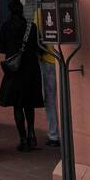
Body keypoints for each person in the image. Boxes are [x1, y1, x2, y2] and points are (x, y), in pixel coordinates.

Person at [0, 0, 44, 151]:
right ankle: (32, 135)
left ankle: (23, 138)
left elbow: (0, 48)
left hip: (14, 71)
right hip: (30, 70)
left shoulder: (5, 26)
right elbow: (39, 47)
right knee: (29, 104)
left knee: (17, 105)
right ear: (22, 10)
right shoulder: (32, 27)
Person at [34, 10, 60, 148]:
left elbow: (37, 37)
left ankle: (54, 134)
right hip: (62, 59)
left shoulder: (39, 11)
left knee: (50, 99)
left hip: (48, 59)